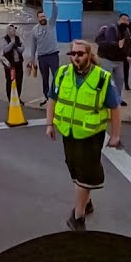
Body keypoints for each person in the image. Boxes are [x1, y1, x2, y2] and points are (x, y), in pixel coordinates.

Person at [46, 39, 122, 231]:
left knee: (86, 175)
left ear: (90, 55)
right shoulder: (62, 74)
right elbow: (52, 99)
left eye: (80, 53)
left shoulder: (102, 78)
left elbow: (115, 109)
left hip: (91, 135)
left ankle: (77, 217)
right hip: (68, 132)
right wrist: (49, 124)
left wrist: (115, 135)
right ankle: (86, 203)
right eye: (73, 53)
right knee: (75, 171)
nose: (76, 57)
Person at [29, 0, 61, 106]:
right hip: (42, 57)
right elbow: (33, 45)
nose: (43, 19)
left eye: (44, 17)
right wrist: (32, 58)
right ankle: (47, 97)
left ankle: (57, 97)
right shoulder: (35, 30)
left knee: (56, 76)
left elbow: (55, 13)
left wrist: (54, 3)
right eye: (41, 17)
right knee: (45, 78)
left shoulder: (51, 24)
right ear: (37, 19)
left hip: (53, 55)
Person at [1, 24, 25, 100]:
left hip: (18, 63)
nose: (13, 31)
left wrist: (17, 47)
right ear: (8, 30)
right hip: (10, 64)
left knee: (19, 80)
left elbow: (23, 48)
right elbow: (5, 49)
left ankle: (18, 97)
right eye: (11, 29)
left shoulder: (18, 38)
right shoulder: (5, 39)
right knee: (10, 80)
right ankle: (10, 98)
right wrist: (11, 43)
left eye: (14, 29)